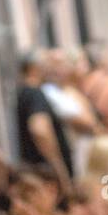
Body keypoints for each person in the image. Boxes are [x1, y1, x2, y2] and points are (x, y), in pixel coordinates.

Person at [15, 53, 73, 189]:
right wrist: (59, 168)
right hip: (47, 176)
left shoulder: (24, 93)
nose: (50, 70)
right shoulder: (35, 94)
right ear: (34, 68)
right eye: (46, 65)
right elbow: (39, 129)